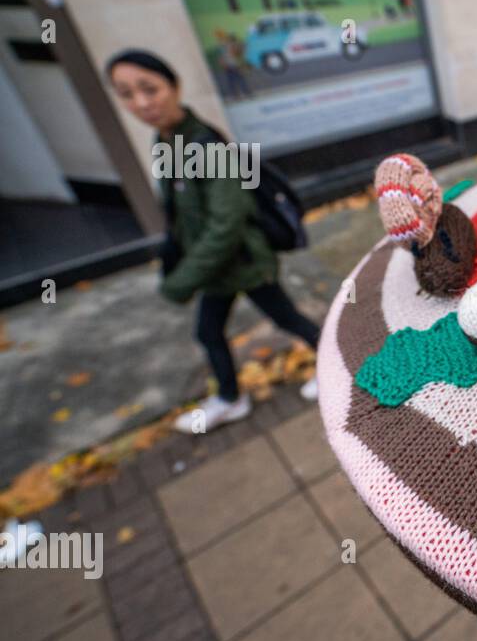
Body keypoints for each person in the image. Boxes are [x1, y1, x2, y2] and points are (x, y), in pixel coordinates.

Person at [106, 49, 320, 433]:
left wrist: (181, 281)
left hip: (244, 263)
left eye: (149, 89)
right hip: (222, 268)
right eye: (125, 93)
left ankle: (330, 368)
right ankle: (229, 397)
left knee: (284, 317)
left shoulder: (206, 146)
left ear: (174, 87)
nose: (140, 103)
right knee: (211, 331)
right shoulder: (167, 141)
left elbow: (227, 223)